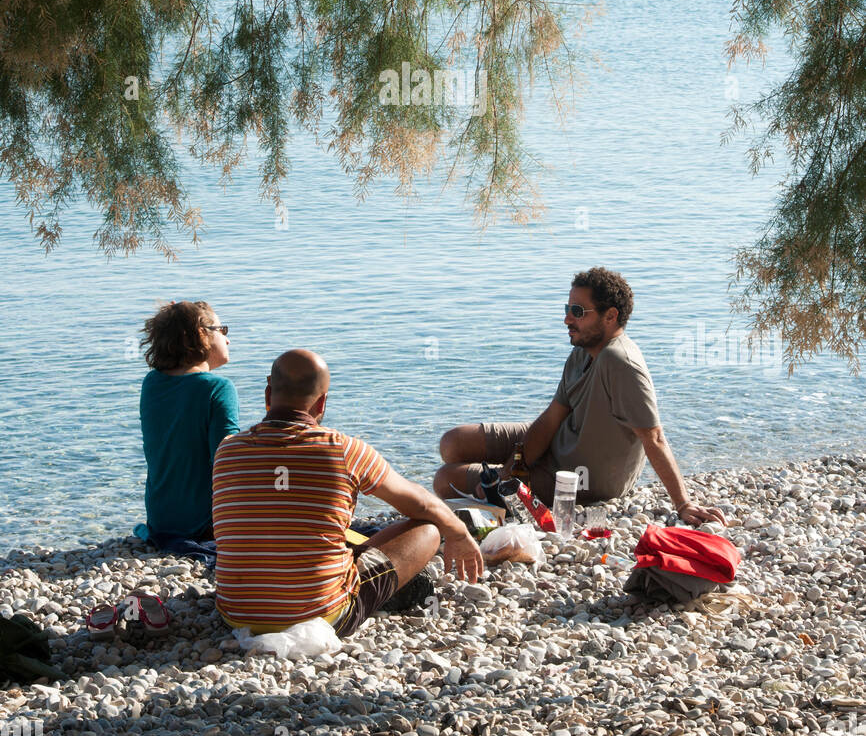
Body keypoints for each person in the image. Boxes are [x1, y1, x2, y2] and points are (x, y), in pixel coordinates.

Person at [213, 349, 483, 636]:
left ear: (268, 395)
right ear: (322, 403)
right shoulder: (344, 450)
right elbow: (420, 504)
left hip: (236, 616)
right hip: (322, 618)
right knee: (427, 529)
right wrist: (459, 534)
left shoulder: (227, 450)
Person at [434, 267, 726, 527]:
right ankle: (499, 485)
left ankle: (495, 494)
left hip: (578, 476)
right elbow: (550, 420)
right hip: (560, 442)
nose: (566, 319)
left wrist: (683, 504)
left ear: (610, 316)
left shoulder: (621, 363)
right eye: (568, 308)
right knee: (452, 443)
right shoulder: (581, 352)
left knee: (445, 480)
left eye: (577, 311)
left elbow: (654, 438)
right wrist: (512, 472)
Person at [139, 300, 239, 542]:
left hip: (160, 520)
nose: (227, 339)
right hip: (204, 524)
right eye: (221, 330)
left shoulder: (151, 383)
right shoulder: (217, 388)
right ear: (201, 334)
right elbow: (226, 461)